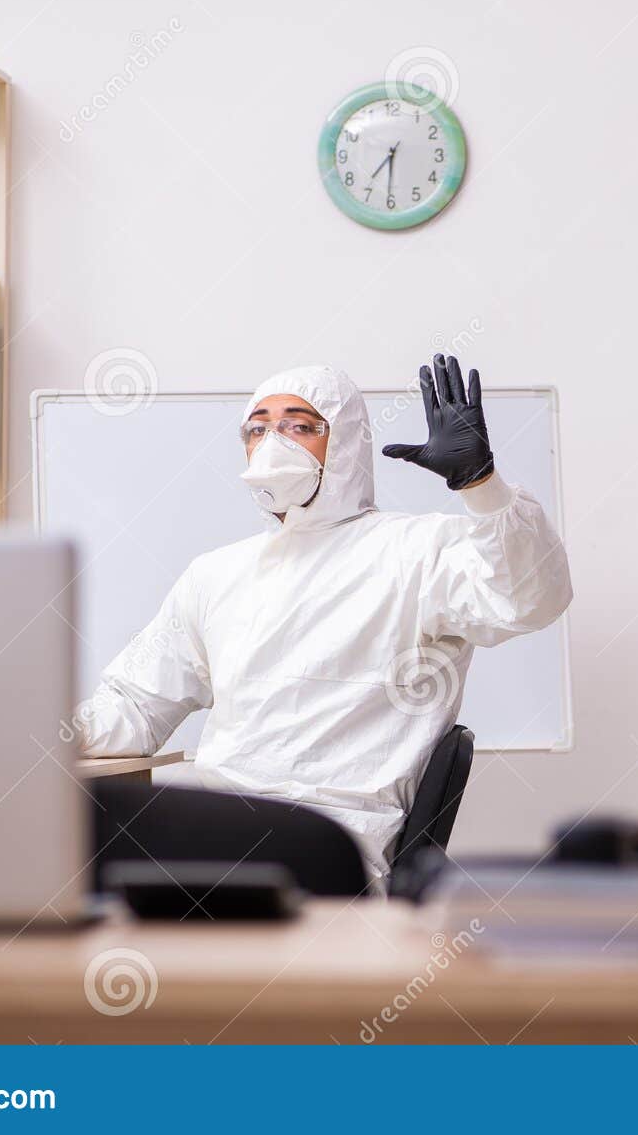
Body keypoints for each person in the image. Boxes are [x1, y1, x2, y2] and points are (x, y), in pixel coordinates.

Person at [78, 356, 572, 885]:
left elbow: (530, 599)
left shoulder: (418, 551)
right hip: (221, 828)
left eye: (299, 426)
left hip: (335, 840)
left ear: (345, 442)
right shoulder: (218, 575)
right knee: (85, 828)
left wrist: (482, 486)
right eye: (258, 428)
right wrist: (42, 730)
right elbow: (136, 705)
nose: (273, 442)